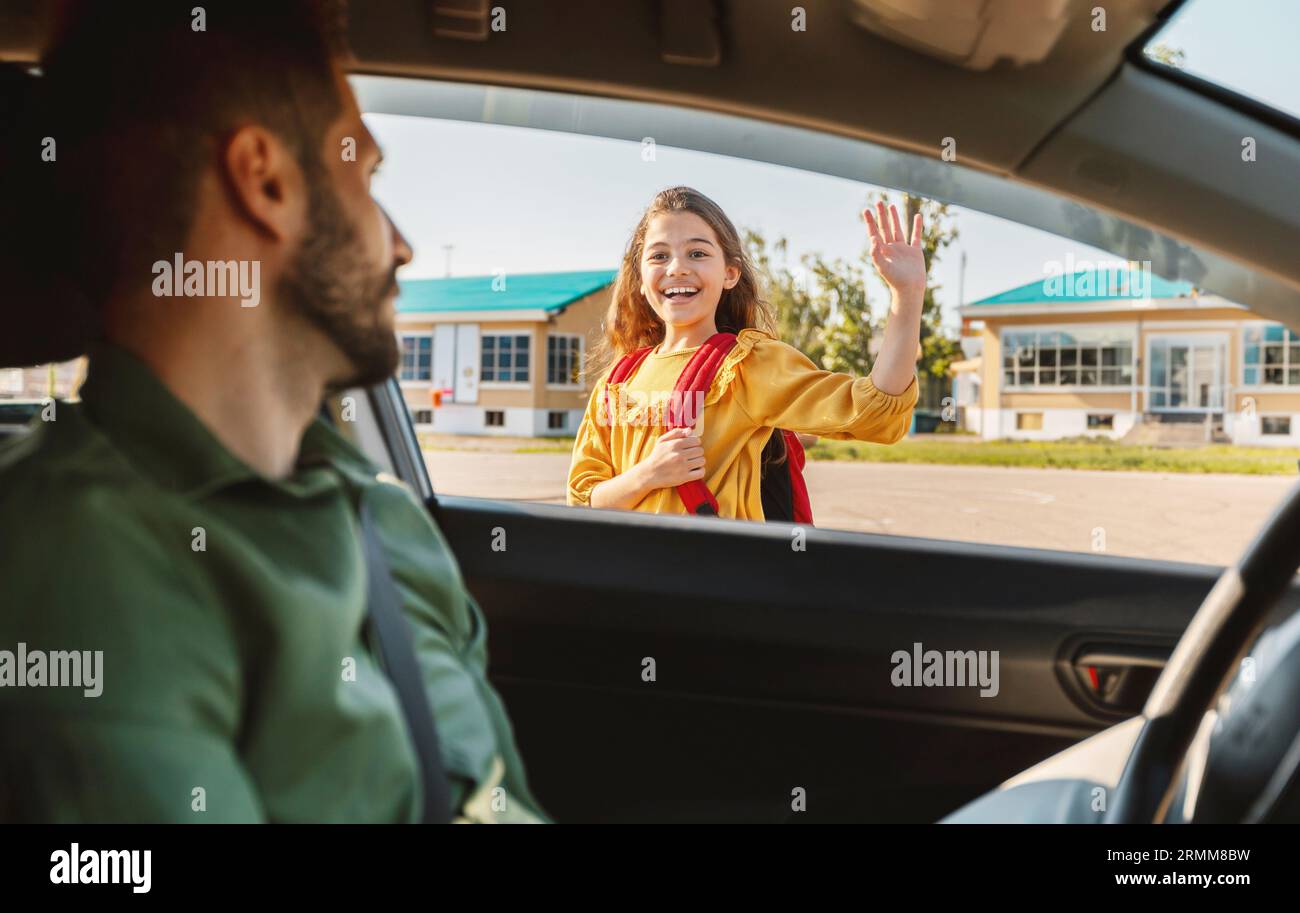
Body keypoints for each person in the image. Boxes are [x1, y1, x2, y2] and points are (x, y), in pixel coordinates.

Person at [0, 0, 545, 823]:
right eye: (364, 175)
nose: (401, 242)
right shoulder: (85, 568)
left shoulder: (380, 508)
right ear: (266, 181)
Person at [566, 186, 923, 519]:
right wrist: (648, 475)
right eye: (659, 255)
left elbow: (874, 412)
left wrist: (907, 296)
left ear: (730, 273)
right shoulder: (616, 385)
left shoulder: (747, 365)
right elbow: (583, 499)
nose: (677, 267)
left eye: (697, 253)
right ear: (641, 281)